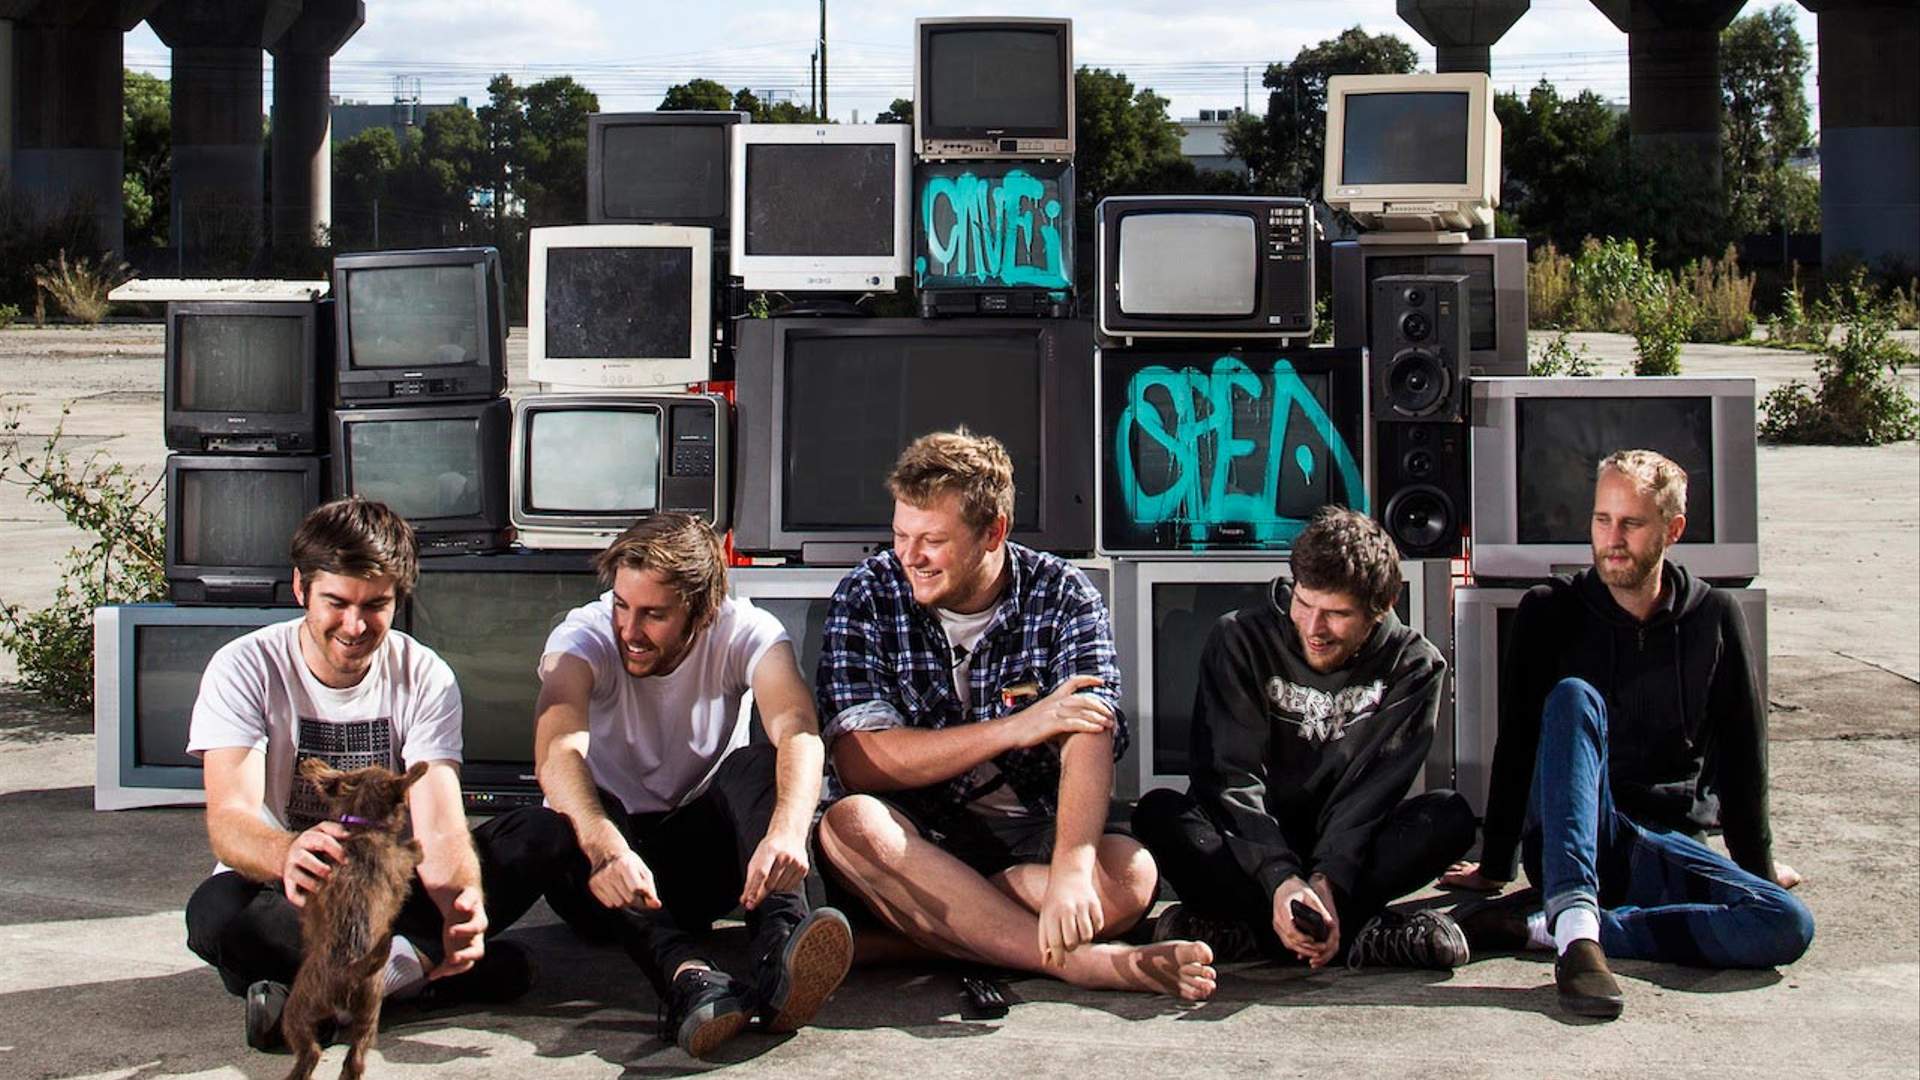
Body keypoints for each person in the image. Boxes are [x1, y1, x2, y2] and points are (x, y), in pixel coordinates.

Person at [813, 429, 1216, 1001]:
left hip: (1028, 835)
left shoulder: (1065, 593)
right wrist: (1016, 727)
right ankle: (1077, 963)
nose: (909, 556)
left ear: (993, 533)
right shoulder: (866, 594)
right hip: (914, 837)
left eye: (932, 540)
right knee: (851, 825)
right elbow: (859, 761)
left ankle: (916, 936)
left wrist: (1072, 868)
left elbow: (1091, 726)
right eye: (901, 535)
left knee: (1131, 876)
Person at [1444, 450, 1815, 1019]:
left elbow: (1743, 756)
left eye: (1632, 524)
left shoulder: (1714, 615)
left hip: (1662, 847)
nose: (1612, 540)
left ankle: (1554, 928)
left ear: (1673, 530)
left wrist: (1755, 869)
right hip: (1573, 838)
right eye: (1602, 520)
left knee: (1784, 922)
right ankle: (1575, 924)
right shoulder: (1549, 611)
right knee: (1574, 697)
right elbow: (1516, 745)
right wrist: (1496, 864)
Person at [475, 514, 851, 1058]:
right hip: (601, 874)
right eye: (622, 605)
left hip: (697, 865)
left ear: (702, 611)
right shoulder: (584, 636)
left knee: (757, 763)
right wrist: (606, 850)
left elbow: (797, 727)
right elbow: (557, 749)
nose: (629, 630)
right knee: (585, 804)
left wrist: (790, 833)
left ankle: (781, 952)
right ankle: (688, 978)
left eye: (653, 614)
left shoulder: (746, 630)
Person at [184, 497, 550, 1052]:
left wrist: (462, 902)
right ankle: (416, 975)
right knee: (216, 914)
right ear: (301, 588)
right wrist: (287, 852)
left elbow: (441, 824)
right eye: (337, 603)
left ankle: (329, 992)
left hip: (395, 889)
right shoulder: (244, 666)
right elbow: (230, 821)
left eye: (375, 605)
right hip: (296, 893)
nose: (355, 626)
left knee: (539, 833)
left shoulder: (424, 674)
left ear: (398, 598)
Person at [1130, 507, 1476, 972]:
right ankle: (1358, 935)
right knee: (1159, 815)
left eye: (1337, 614)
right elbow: (1229, 776)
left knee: (1450, 817)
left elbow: (1371, 794)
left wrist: (1328, 880)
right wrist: (1280, 878)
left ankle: (1247, 934)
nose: (1314, 629)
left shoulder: (1415, 665)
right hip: (1251, 843)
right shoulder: (1239, 637)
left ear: (1382, 605)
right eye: (1304, 604)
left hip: (1348, 846)